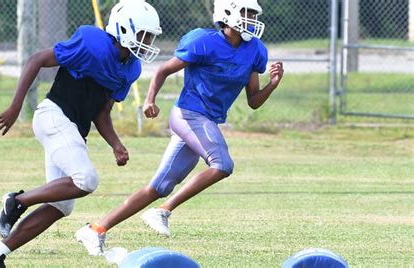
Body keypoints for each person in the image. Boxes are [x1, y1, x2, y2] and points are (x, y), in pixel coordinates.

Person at [75, 0, 284, 256]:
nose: (251, 18)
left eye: (253, 14)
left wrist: (272, 84)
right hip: (188, 114)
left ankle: (96, 229)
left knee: (158, 188)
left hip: (206, 121)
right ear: (228, 13)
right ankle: (163, 210)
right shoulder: (203, 41)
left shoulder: (254, 50)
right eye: (247, 12)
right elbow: (163, 70)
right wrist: (150, 100)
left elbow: (253, 101)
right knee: (222, 164)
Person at [0, 0, 162, 267]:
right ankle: (16, 201)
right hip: (53, 115)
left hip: (71, 129)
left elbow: (102, 111)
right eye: (144, 34)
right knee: (86, 179)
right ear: (124, 29)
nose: (148, 41)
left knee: (63, 206)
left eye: (150, 36)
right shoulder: (92, 43)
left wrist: (115, 144)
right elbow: (37, 59)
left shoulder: (131, 68)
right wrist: (16, 105)